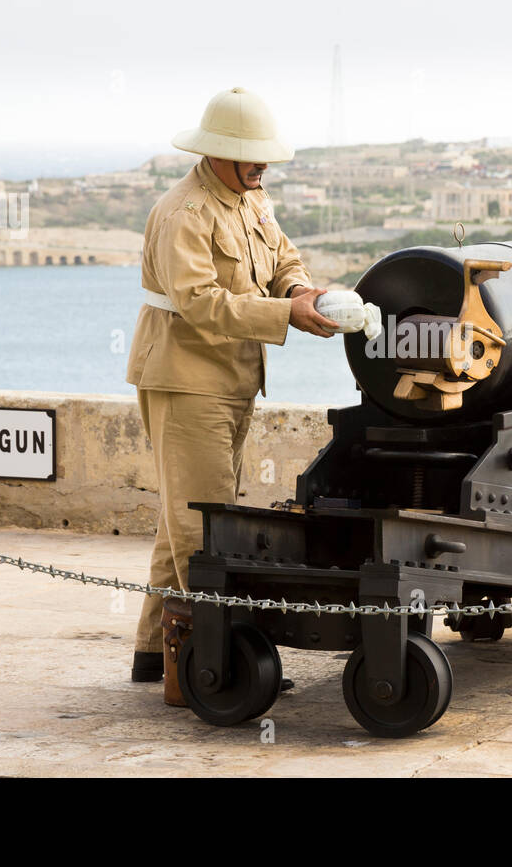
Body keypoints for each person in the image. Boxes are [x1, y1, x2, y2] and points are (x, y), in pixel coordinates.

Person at [125, 86, 338, 702]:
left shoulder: (251, 201)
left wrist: (302, 291)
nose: (263, 165)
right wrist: (286, 316)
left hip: (228, 377)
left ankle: (156, 655)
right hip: (187, 378)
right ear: (218, 154)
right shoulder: (184, 214)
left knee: (185, 522)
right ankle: (211, 668)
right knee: (205, 530)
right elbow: (198, 303)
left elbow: (283, 260)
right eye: (252, 156)